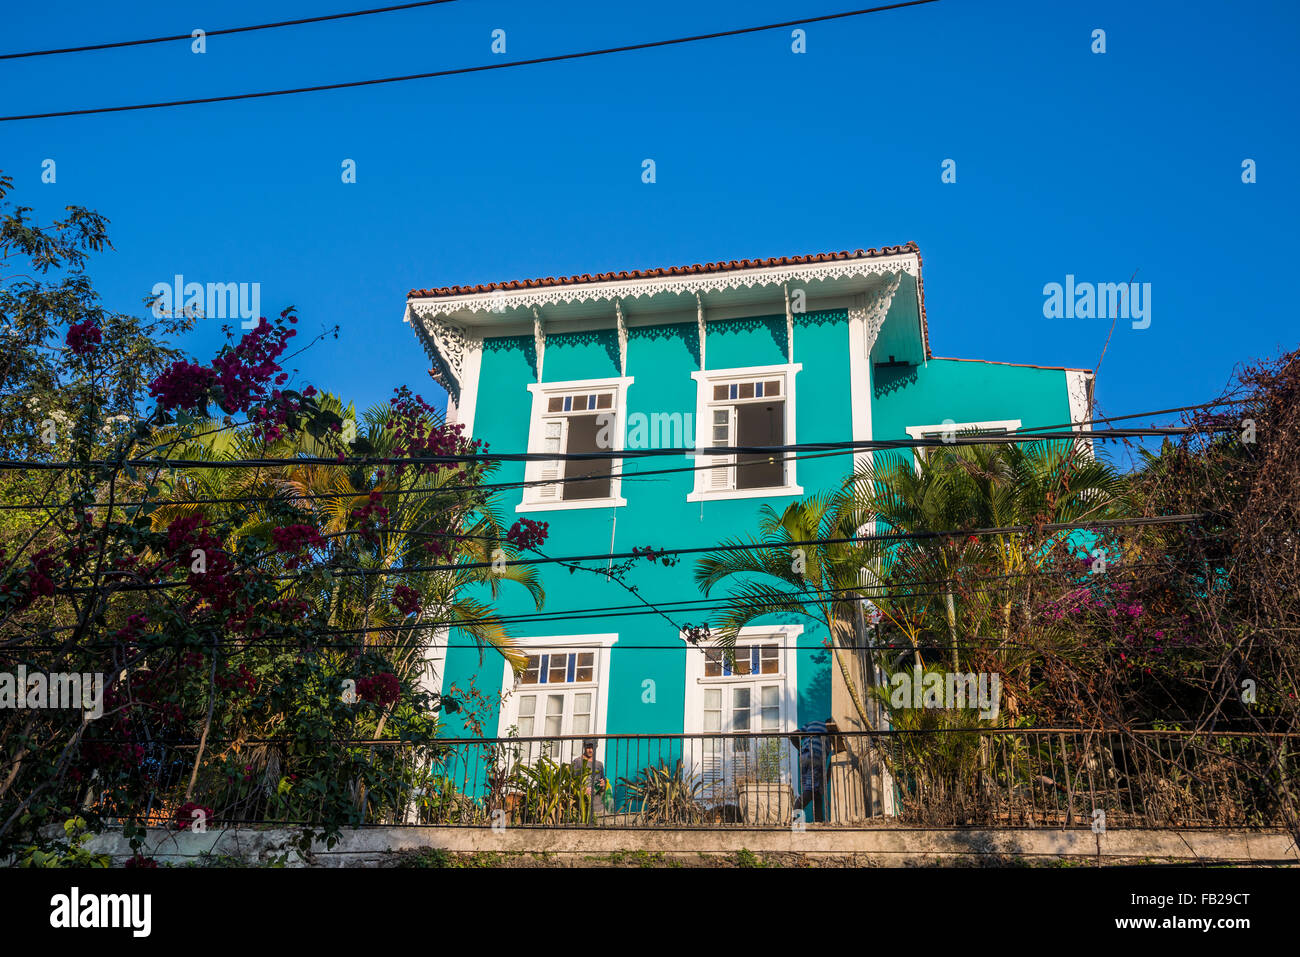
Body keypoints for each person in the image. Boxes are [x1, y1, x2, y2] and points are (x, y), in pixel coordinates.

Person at [789, 718, 831, 823]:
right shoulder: (832, 730)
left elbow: (793, 735)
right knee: (811, 790)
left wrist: (801, 749)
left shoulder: (812, 723)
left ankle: (819, 821)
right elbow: (834, 758)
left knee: (816, 792)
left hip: (804, 757)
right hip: (817, 757)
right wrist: (827, 777)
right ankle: (795, 817)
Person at [571, 739, 606, 819]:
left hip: (597, 806)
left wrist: (602, 785)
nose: (590, 750)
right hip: (580, 807)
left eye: (593, 747)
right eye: (588, 747)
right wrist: (583, 789)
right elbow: (571, 782)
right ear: (584, 746)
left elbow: (602, 786)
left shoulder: (599, 764)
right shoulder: (577, 762)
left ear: (596, 747)